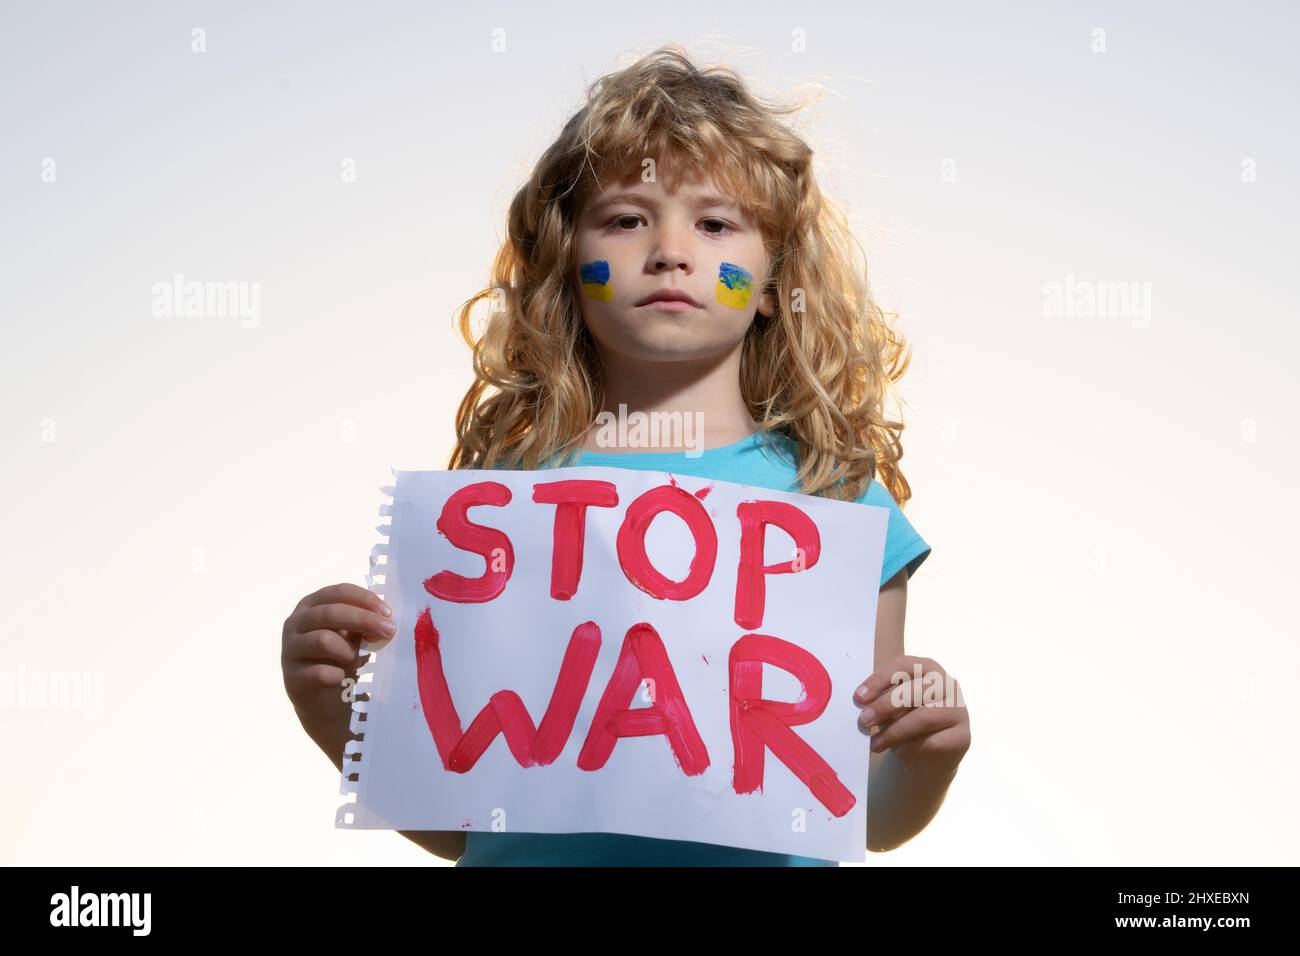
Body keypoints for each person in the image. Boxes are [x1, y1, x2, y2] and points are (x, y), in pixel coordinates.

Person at [281, 44, 970, 866]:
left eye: (716, 223)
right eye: (627, 219)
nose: (672, 250)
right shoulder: (504, 508)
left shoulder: (839, 503)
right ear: (568, 265)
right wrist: (332, 714)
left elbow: (861, 815)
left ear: (773, 277)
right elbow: (468, 828)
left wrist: (931, 755)